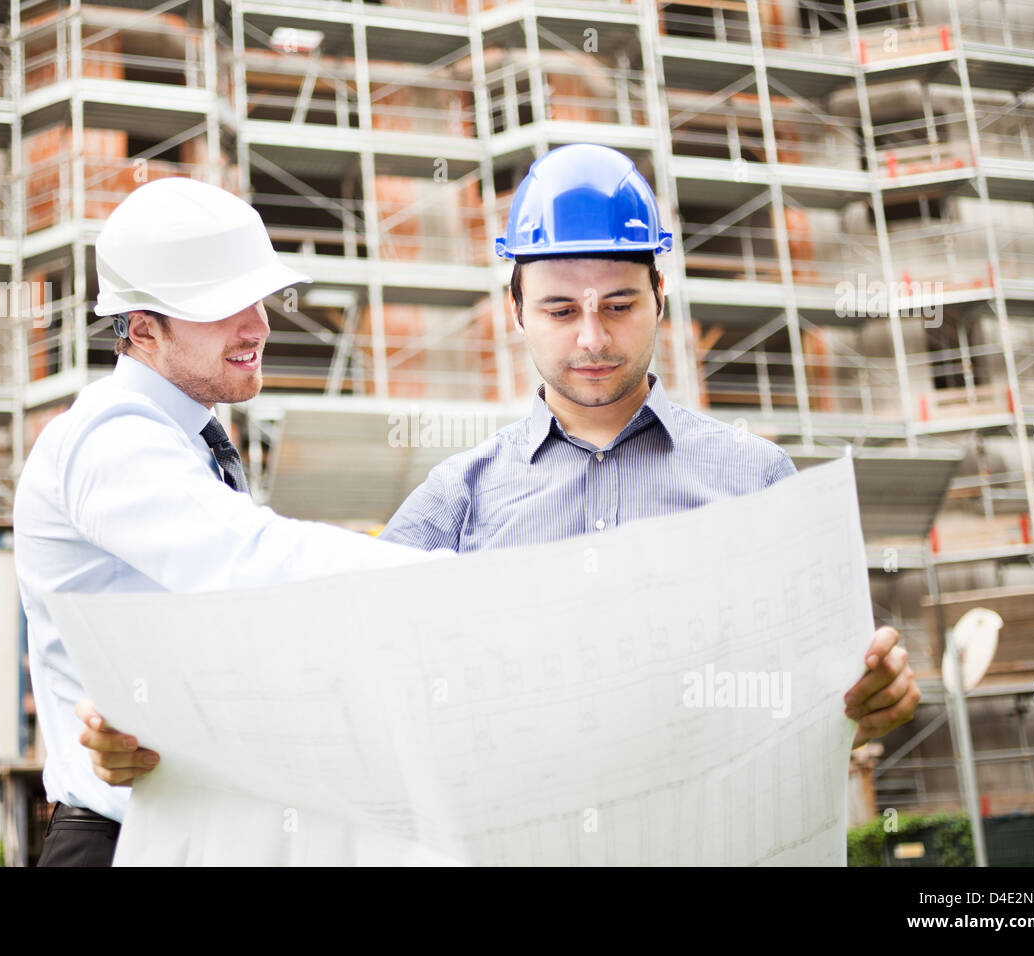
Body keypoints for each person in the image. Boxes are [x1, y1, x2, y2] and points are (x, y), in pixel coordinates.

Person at [80, 147, 918, 819]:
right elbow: (325, 667)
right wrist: (165, 731)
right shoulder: (459, 501)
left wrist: (868, 700)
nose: (592, 337)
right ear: (515, 307)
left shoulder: (758, 478)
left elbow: (823, 689)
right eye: (560, 310)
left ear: (662, 296)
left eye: (620, 304)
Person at [13, 177, 442, 866]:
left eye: (259, 298)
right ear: (143, 328)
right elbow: (249, 565)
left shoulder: (188, 439)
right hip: (119, 841)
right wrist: (454, 584)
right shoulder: (109, 439)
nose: (259, 326)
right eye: (221, 308)